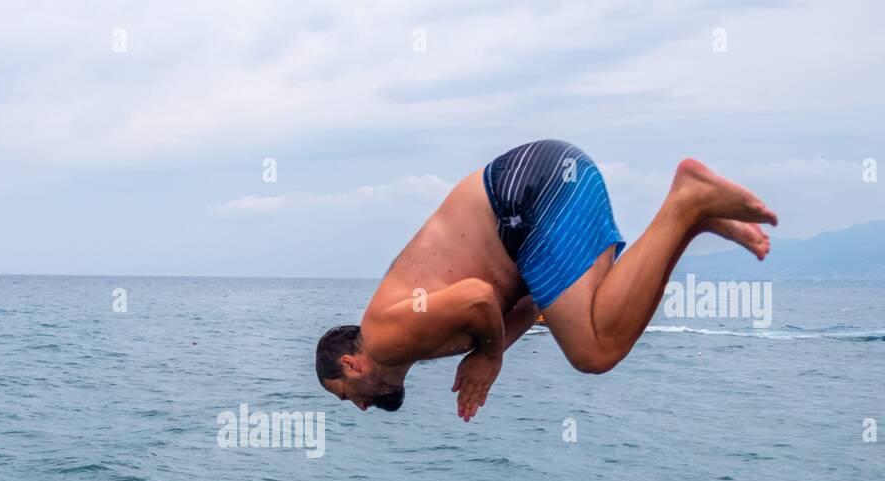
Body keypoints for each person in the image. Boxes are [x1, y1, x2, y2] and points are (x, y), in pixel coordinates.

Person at [315, 140, 777, 421]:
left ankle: (686, 204)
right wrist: (488, 350)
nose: (358, 407)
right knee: (599, 327)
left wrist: (491, 358)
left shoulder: (385, 339)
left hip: (524, 194)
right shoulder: (411, 339)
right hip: (547, 178)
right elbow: (518, 303)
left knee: (593, 351)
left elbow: (478, 297)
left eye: (344, 396)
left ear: (353, 364)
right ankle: (692, 219)